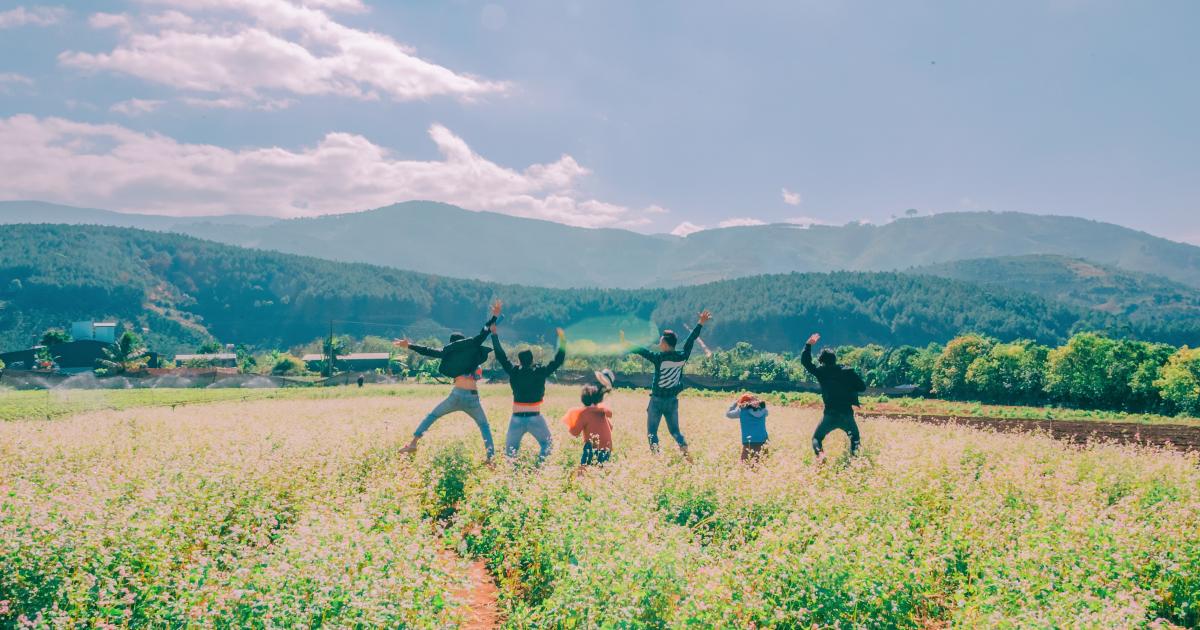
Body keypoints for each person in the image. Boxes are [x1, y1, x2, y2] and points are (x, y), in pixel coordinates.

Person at [394, 301, 502, 460]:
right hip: (473, 397)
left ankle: (413, 444)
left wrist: (409, 345)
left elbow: (428, 351)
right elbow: (484, 332)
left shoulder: (448, 352)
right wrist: (495, 316)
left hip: (456, 395)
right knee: (484, 426)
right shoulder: (472, 349)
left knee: (432, 416)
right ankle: (491, 458)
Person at [626, 310, 712, 455]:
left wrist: (628, 344)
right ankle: (684, 448)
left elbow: (643, 351)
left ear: (665, 345)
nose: (659, 344)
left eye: (661, 342)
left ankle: (656, 456)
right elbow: (691, 340)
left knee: (652, 432)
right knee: (675, 431)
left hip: (657, 400)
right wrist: (700, 323)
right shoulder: (682, 356)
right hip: (672, 400)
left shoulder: (659, 358)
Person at [492, 326, 567, 464]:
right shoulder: (540, 372)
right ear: (532, 359)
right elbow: (558, 360)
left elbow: (501, 356)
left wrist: (494, 335)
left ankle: (513, 474)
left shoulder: (514, 371)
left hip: (516, 418)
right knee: (548, 445)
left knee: (510, 453)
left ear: (519, 361)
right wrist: (562, 341)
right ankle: (539, 467)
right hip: (535, 417)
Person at [801, 333, 867, 462]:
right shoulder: (847, 371)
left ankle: (821, 456)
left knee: (817, 438)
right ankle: (855, 463)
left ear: (822, 361)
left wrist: (808, 345)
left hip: (830, 414)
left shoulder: (821, 372)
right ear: (834, 359)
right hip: (846, 414)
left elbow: (806, 363)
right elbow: (862, 387)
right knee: (855, 439)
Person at [564, 384, 613, 467]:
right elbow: (611, 427)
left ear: (583, 399)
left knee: (585, 468)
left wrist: (570, 424)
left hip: (592, 446)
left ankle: (582, 474)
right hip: (607, 447)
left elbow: (575, 432)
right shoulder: (601, 411)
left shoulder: (584, 413)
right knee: (601, 469)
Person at [726, 393, 769, 463]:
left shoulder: (742, 411)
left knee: (745, 464)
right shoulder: (763, 410)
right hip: (763, 439)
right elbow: (765, 412)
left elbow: (728, 414)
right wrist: (758, 403)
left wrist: (735, 404)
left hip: (749, 440)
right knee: (762, 462)